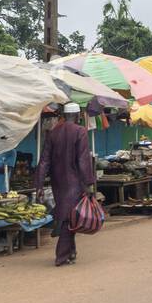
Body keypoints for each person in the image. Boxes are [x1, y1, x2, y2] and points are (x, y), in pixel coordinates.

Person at [34, 102, 95, 267]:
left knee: (68, 216)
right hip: (74, 182)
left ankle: (71, 252)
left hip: (58, 182)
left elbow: (44, 160)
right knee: (69, 219)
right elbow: (83, 160)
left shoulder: (53, 132)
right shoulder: (80, 131)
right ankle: (61, 256)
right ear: (77, 115)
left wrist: (39, 184)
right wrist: (89, 183)